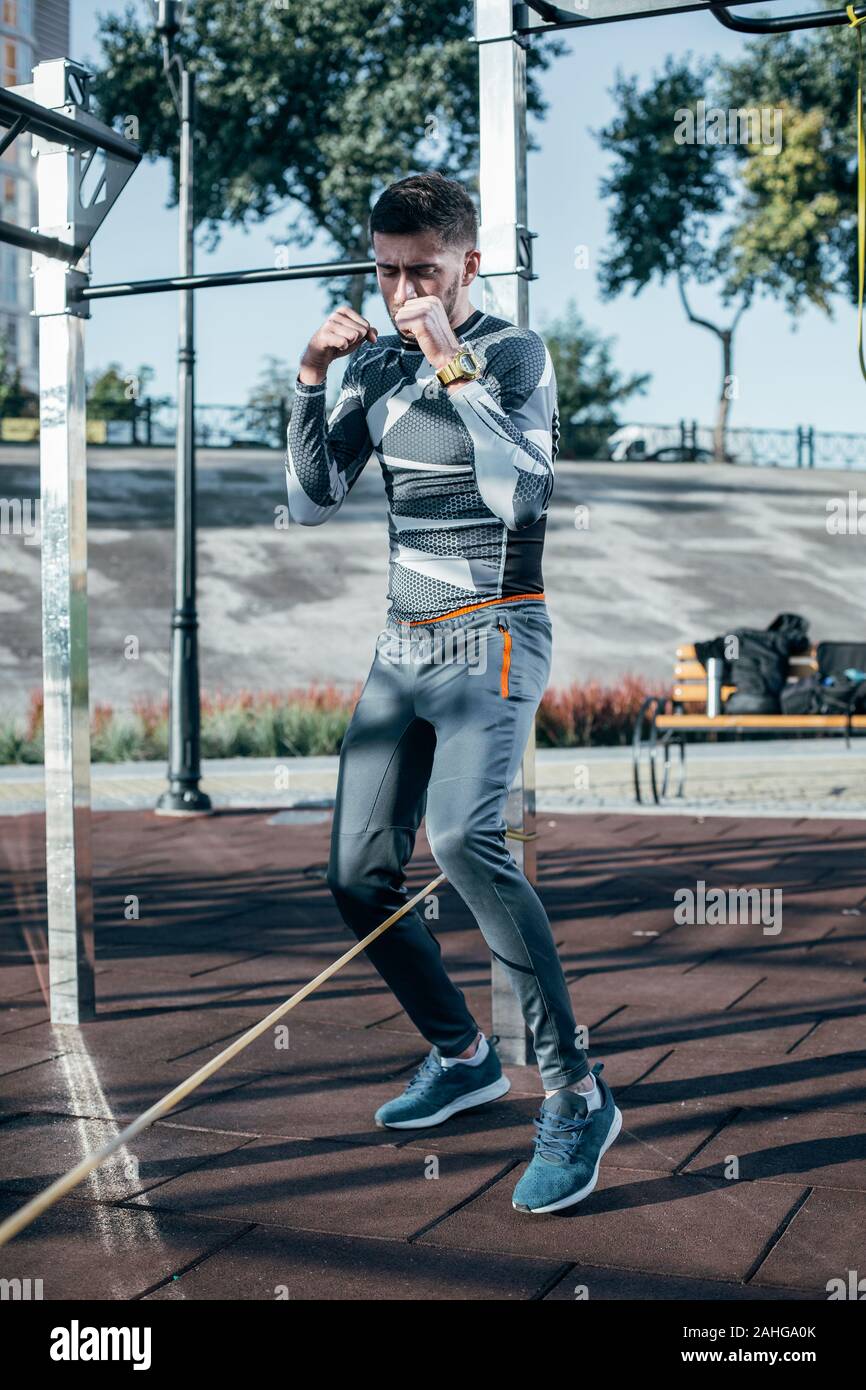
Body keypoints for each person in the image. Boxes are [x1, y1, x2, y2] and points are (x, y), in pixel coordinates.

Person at [285, 171, 621, 1213]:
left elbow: (519, 493)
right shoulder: (374, 365)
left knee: (467, 841)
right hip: (401, 644)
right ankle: (464, 1054)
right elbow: (307, 505)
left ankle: (573, 1090)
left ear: (466, 262)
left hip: (495, 632)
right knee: (354, 875)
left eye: (419, 270)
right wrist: (307, 378)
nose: (398, 290)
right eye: (382, 270)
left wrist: (451, 362)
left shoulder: (513, 353)